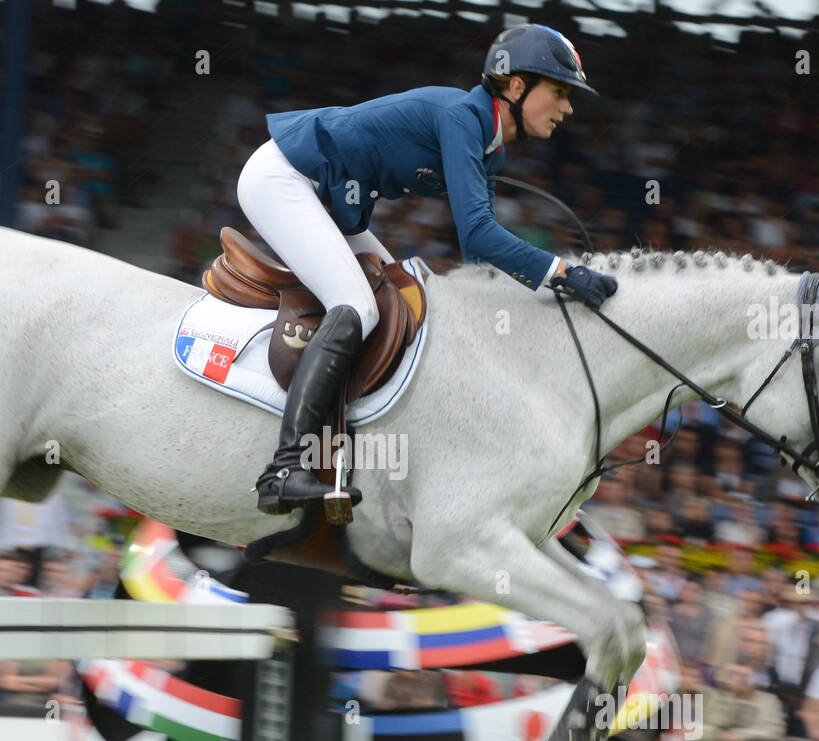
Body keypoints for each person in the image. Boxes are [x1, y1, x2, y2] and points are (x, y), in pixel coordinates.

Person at [241, 24, 617, 514]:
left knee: (401, 298)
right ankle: (284, 469)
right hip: (285, 178)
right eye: (561, 92)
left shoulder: (491, 147)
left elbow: (479, 254)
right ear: (518, 86)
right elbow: (479, 236)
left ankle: (349, 444)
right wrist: (562, 273)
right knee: (356, 305)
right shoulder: (463, 117)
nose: (567, 108)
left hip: (329, 199)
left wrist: (550, 282)